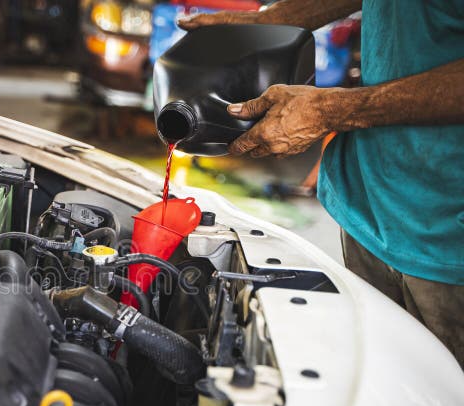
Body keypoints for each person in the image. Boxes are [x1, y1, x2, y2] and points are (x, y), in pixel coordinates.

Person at [178, 0, 464, 368]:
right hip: (368, 203)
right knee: (372, 380)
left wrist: (331, 110)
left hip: (448, 240)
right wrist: (271, 22)